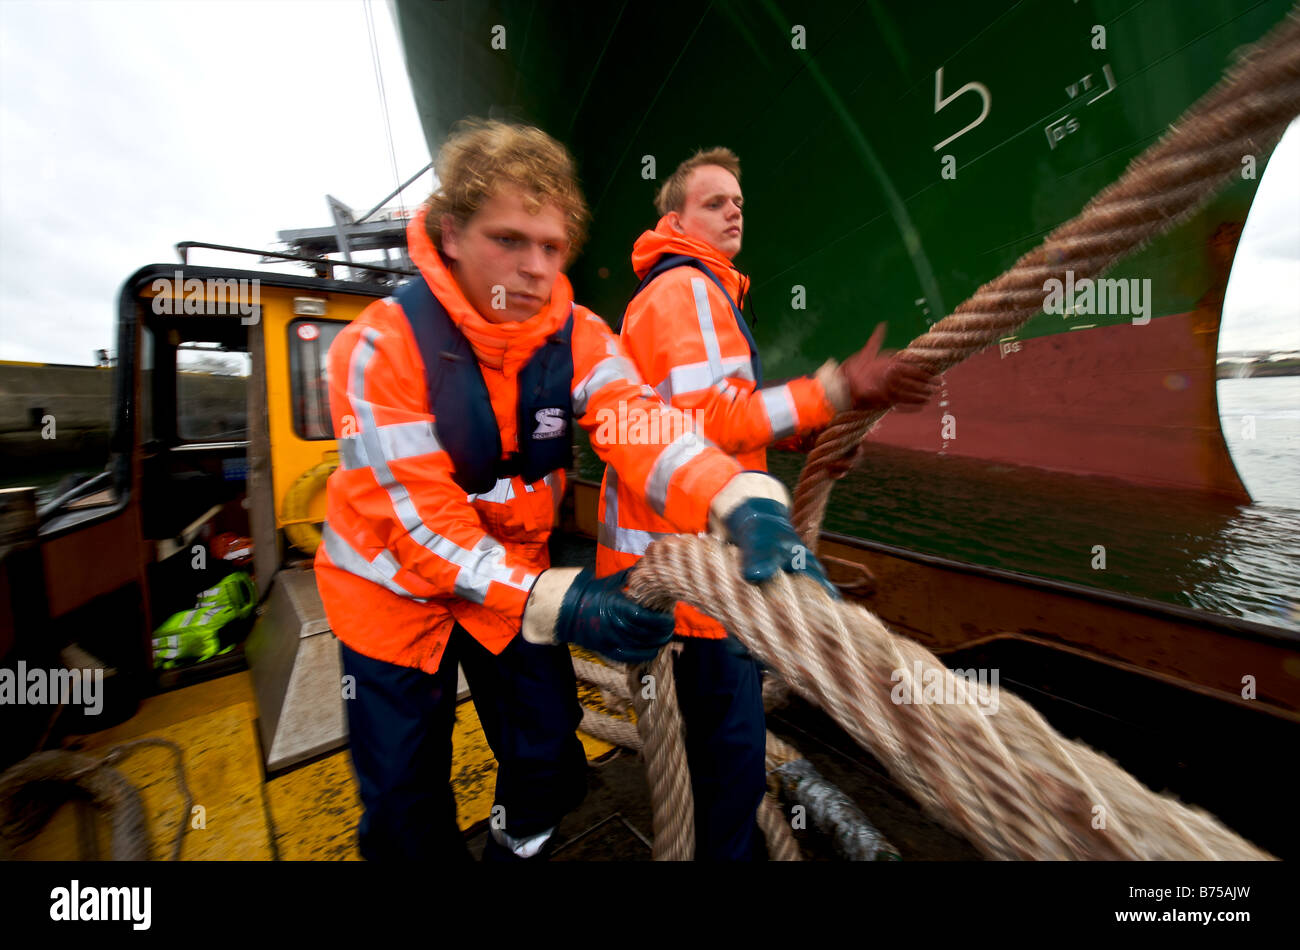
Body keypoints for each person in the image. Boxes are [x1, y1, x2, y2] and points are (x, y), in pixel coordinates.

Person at [314, 123, 829, 861]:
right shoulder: (376, 349)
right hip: (392, 600)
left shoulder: (579, 334)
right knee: (402, 811)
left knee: (553, 767)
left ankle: (510, 849)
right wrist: (566, 601)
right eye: (510, 241)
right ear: (452, 233)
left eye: (552, 249)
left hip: (511, 574)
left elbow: (642, 424)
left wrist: (741, 499)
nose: (534, 269)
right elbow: (420, 529)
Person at [597, 146, 939, 859]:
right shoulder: (688, 287)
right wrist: (834, 388)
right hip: (698, 591)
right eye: (714, 202)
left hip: (673, 578)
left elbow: (703, 421)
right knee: (730, 778)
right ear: (675, 219)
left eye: (738, 203)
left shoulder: (689, 291)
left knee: (712, 768)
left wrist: (795, 440)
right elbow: (709, 419)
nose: (733, 212)